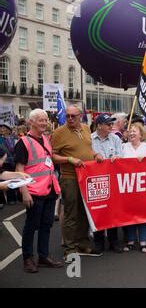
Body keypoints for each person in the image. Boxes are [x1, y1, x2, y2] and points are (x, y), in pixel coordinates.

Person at [51, 105, 104, 262]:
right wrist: (69, 159)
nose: (70, 118)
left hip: (86, 177)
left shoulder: (86, 128)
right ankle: (69, 249)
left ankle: (82, 244)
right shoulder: (59, 132)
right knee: (71, 214)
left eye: (73, 116)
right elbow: (53, 156)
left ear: (80, 116)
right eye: (67, 116)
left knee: (84, 213)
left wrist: (96, 155)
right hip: (70, 178)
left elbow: (88, 149)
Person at [14, 109, 64, 273]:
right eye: (40, 120)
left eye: (45, 120)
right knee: (31, 226)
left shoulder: (45, 139)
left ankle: (43, 257)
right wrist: (24, 191)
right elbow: (19, 169)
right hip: (34, 191)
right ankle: (28, 258)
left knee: (46, 225)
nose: (44, 123)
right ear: (31, 122)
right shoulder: (23, 142)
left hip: (49, 190)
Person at [91, 114, 123, 254]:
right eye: (108, 124)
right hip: (96, 181)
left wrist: (118, 157)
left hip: (113, 181)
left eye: (111, 123)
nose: (111, 126)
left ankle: (113, 241)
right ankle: (98, 242)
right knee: (98, 211)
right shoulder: (89, 140)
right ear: (98, 125)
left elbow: (121, 155)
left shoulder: (115, 138)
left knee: (113, 211)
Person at [121, 123, 146, 253]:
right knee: (129, 213)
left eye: (135, 131)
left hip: (144, 186)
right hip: (127, 186)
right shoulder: (123, 147)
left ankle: (143, 241)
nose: (132, 133)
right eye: (130, 131)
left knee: (143, 213)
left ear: (141, 134)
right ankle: (131, 240)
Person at [0, 124, 19, 205]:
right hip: (4, 162)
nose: (1, 130)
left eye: (3, 128)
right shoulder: (0, 139)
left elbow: (15, 149)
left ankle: (14, 197)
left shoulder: (13, 138)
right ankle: (8, 199)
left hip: (13, 161)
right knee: (5, 181)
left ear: (8, 130)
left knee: (13, 179)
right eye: (1, 129)